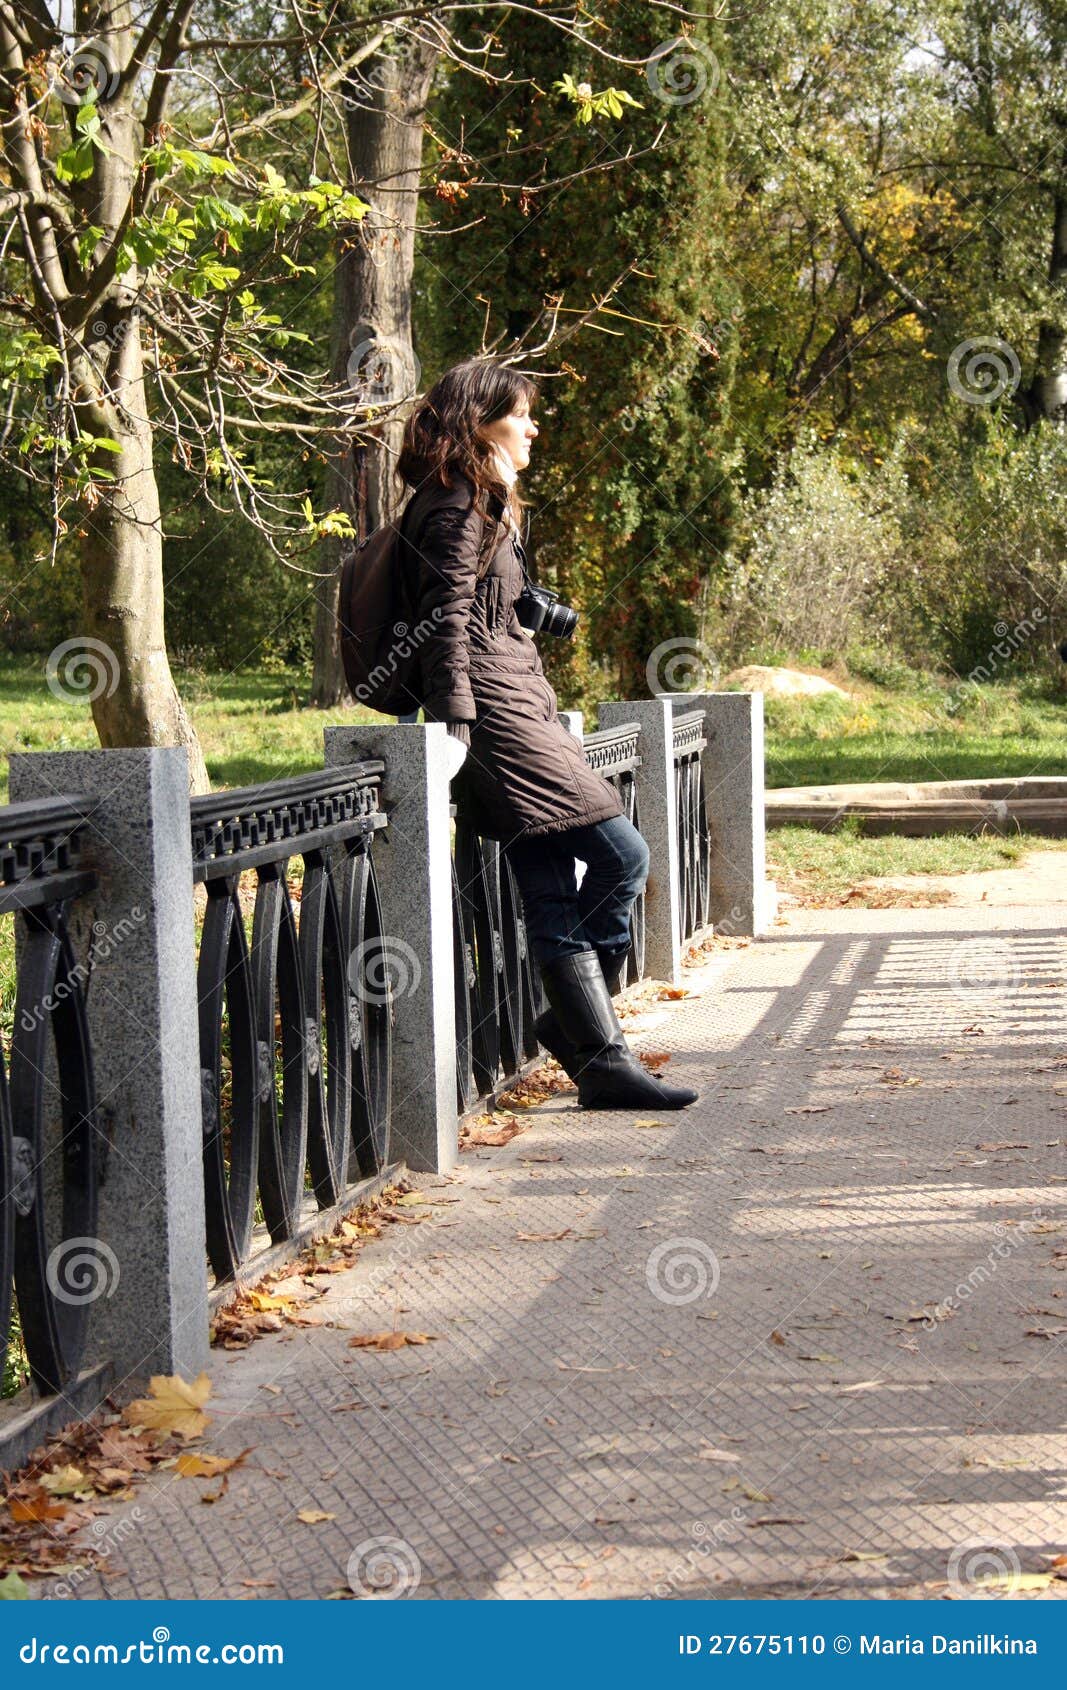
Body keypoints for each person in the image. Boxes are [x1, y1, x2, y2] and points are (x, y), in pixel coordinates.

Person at [394, 358, 697, 1110]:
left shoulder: (480, 500)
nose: (533, 426)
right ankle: (583, 1032)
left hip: (518, 703)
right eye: (521, 414)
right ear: (481, 420)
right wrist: (457, 727)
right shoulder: (457, 504)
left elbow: (478, 604)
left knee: (553, 897)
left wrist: (526, 606)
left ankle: (596, 1057)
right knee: (623, 855)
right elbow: (444, 623)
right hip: (497, 720)